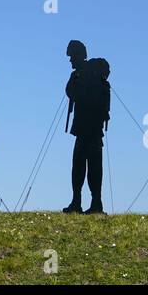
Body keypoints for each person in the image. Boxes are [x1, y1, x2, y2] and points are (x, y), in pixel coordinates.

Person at [62, 40, 110, 214]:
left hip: (86, 128)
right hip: (92, 128)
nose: (70, 61)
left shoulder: (81, 75)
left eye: (71, 57)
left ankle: (83, 202)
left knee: (81, 167)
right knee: (89, 166)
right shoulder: (90, 75)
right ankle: (93, 202)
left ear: (78, 55)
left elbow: (71, 92)